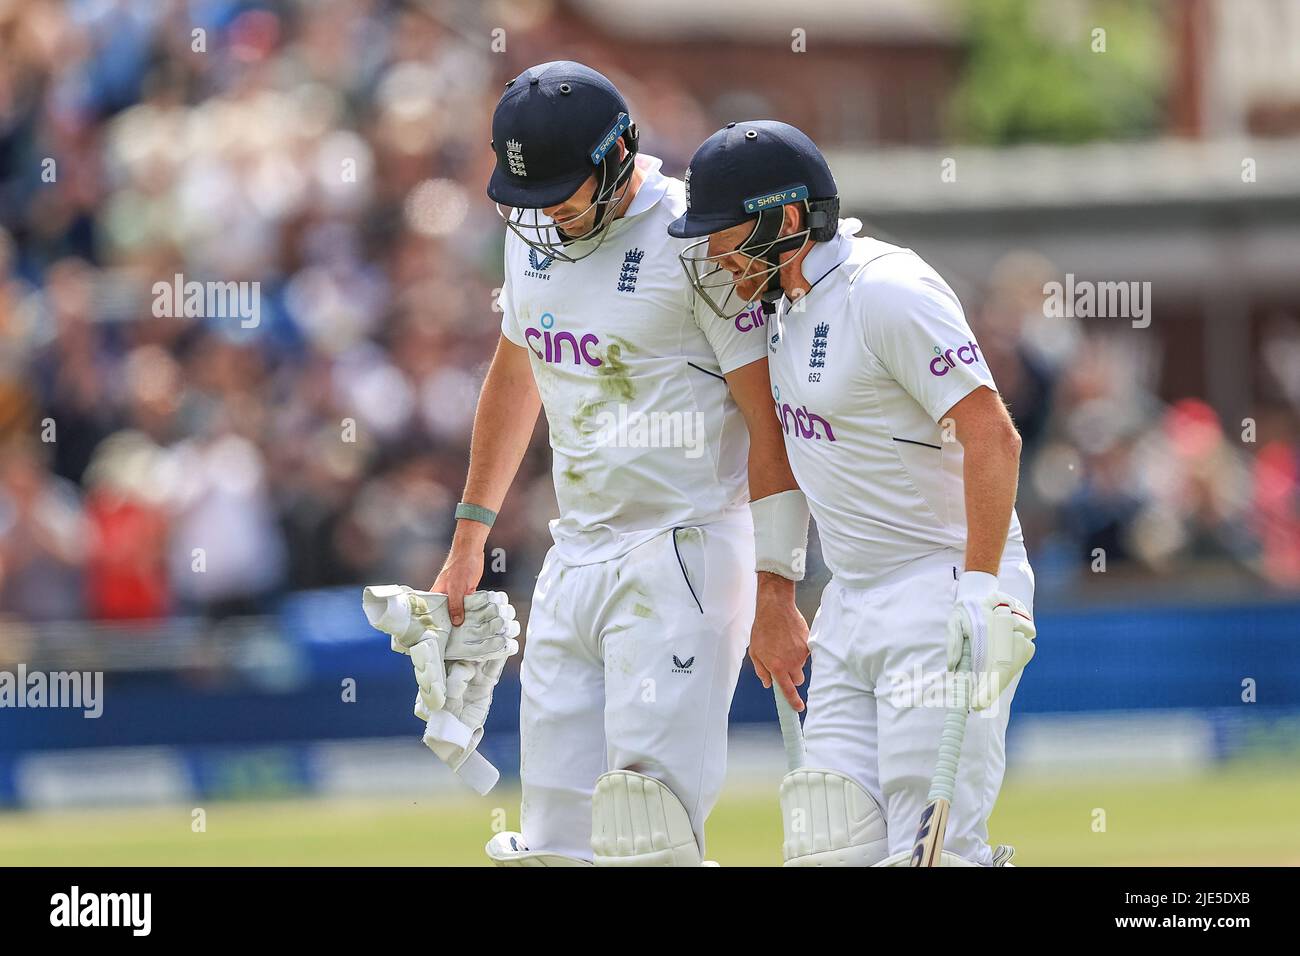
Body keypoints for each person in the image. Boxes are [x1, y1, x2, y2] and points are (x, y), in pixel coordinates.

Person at [432, 64, 807, 866]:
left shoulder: (696, 240)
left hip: (684, 549)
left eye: (563, 198)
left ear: (614, 158)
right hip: (577, 554)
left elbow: (767, 419)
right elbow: (515, 374)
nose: (546, 222)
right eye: (529, 203)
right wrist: (469, 537)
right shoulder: (531, 239)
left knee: (649, 828)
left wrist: (779, 586)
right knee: (552, 839)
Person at [668, 120, 1037, 866]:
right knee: (825, 844)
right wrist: (777, 598)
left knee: (931, 851)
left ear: (790, 219)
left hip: (942, 589)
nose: (714, 253)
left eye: (727, 233)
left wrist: (981, 588)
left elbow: (993, 435)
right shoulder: (783, 306)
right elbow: (784, 456)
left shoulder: (889, 291)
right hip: (851, 603)